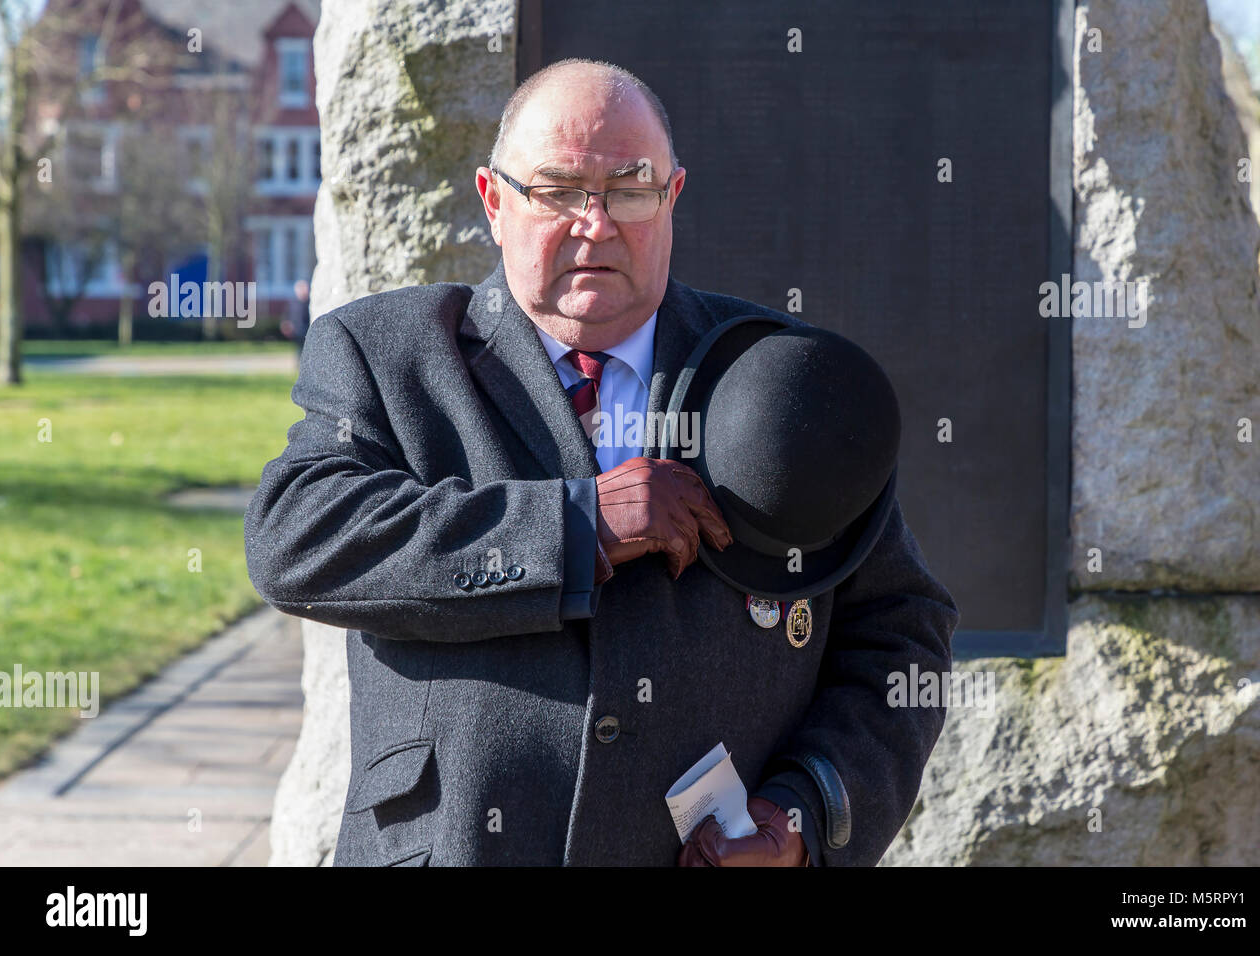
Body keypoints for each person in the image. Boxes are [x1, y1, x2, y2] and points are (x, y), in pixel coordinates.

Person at [243, 58, 958, 867]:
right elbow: (297, 540)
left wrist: (800, 820)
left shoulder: (782, 382)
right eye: (557, 191)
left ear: (673, 197)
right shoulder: (389, 356)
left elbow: (900, 634)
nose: (596, 222)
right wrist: (573, 529)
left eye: (630, 188)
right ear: (494, 201)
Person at [279, 279, 310, 352]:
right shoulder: (292, 303)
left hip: (308, 330)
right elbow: (286, 316)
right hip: (296, 331)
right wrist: (286, 326)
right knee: (299, 350)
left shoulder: (310, 302)